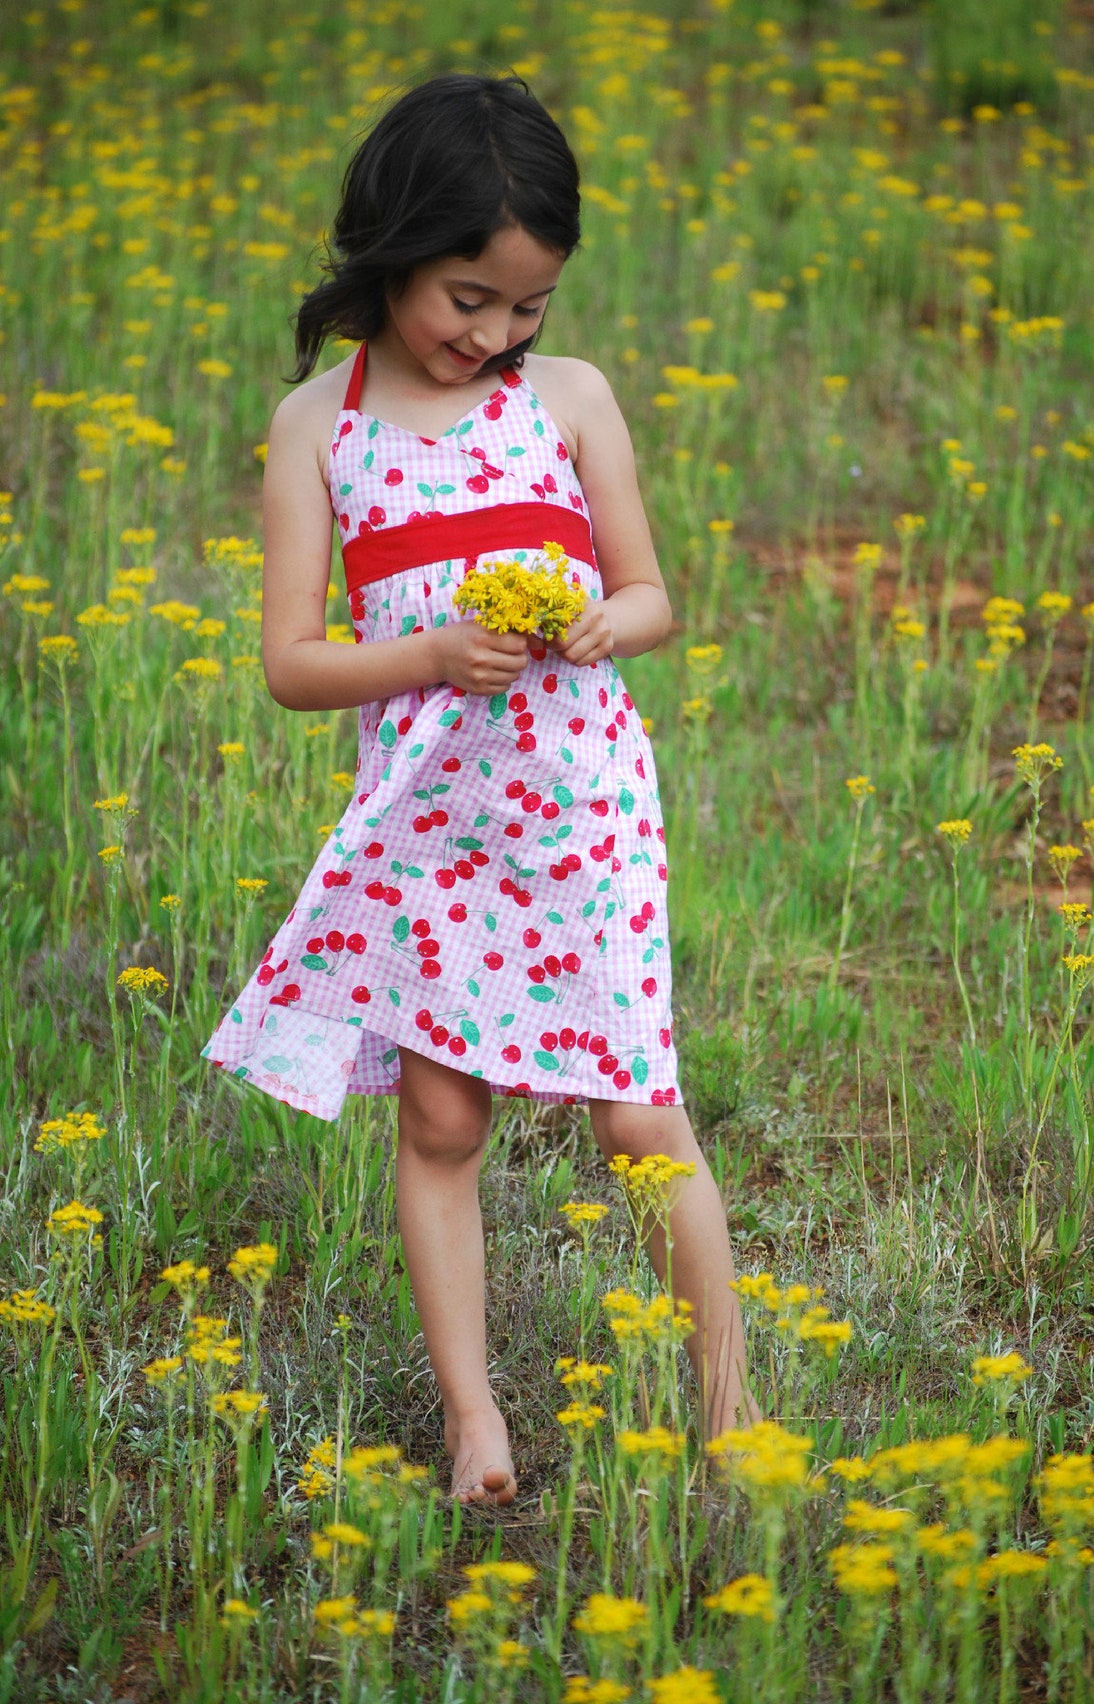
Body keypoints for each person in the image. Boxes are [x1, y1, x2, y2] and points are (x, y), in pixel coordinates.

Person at [202, 72, 750, 1505]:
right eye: (467, 299)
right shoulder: (317, 427)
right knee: (442, 1122)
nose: (494, 335)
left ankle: (731, 1409)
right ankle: (474, 1424)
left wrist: (595, 624)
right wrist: (430, 651)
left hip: (581, 805)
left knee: (639, 1112)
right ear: (389, 250)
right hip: (431, 825)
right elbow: (291, 663)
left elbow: (650, 595)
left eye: (527, 308)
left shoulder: (569, 401)